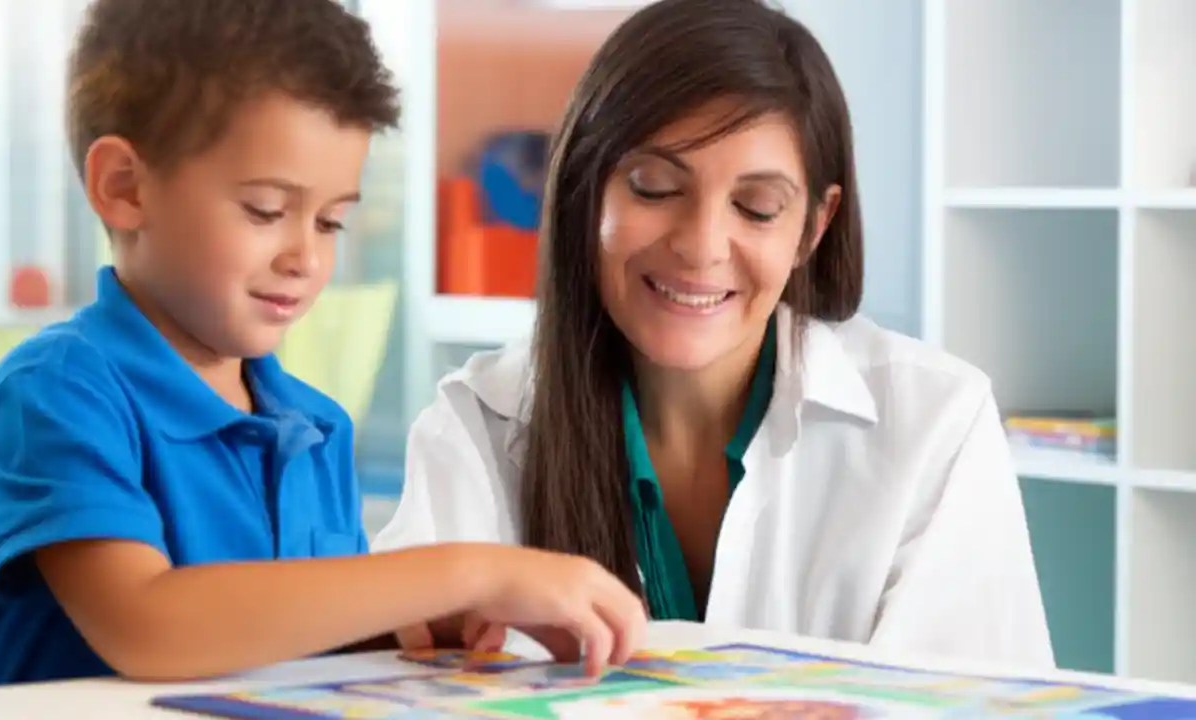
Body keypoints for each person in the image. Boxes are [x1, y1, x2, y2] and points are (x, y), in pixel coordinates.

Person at [0, 0, 644, 689]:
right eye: (267, 210)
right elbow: (147, 627)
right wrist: (472, 569)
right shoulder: (56, 390)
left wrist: (409, 620)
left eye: (330, 222)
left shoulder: (314, 427)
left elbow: (279, 636)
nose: (306, 258)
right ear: (124, 188)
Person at [375, 0, 1053, 668]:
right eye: (653, 188)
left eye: (756, 208)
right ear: (586, 192)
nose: (701, 248)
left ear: (813, 228)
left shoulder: (935, 422)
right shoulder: (476, 425)